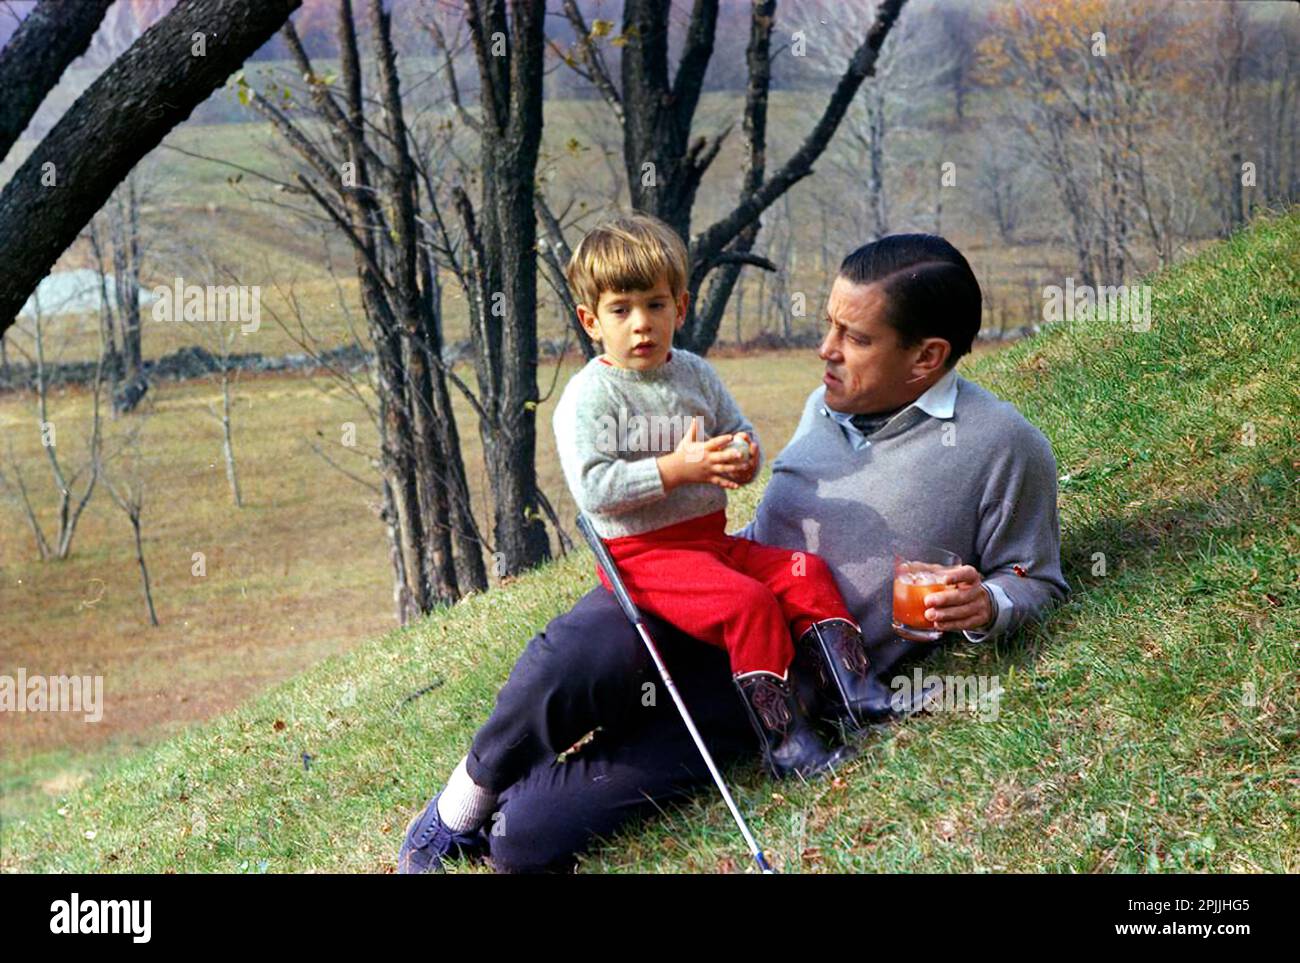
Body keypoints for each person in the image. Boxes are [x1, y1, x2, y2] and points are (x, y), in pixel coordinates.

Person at [398, 233, 1068, 874]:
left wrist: (988, 602)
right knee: (571, 654)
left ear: (926, 357)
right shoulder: (824, 404)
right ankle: (459, 804)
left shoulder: (1004, 446)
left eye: (854, 338)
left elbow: (1035, 576)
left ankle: (507, 810)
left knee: (524, 839)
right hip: (695, 595)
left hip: (767, 677)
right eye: (830, 325)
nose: (824, 350)